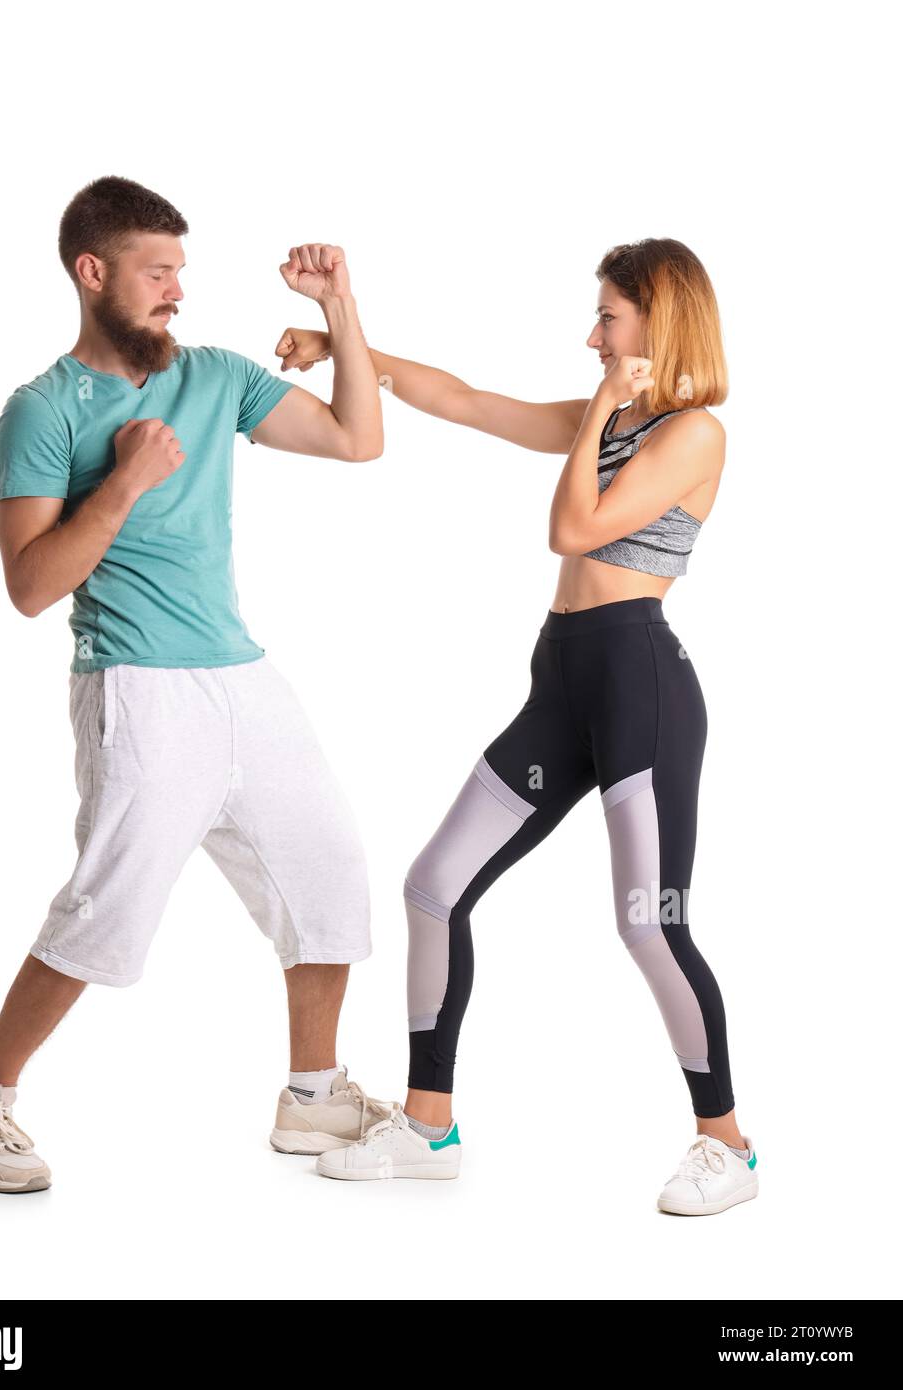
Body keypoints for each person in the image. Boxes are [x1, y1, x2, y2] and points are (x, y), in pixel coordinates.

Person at [273, 238, 758, 1215]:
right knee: (434, 887)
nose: (592, 334)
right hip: (563, 681)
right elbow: (461, 399)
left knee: (648, 925)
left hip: (639, 684)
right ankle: (427, 1125)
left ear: (657, 325)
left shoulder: (694, 434)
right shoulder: (612, 413)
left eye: (609, 318)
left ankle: (727, 1145)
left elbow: (573, 529)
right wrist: (343, 337)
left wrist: (604, 415)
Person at [0, 176, 396, 1194]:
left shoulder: (216, 376)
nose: (176, 291)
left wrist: (340, 311)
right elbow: (29, 585)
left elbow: (358, 438)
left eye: (181, 273)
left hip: (241, 673)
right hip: (137, 688)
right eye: (157, 272)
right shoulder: (41, 411)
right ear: (92, 272)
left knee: (328, 874)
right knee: (105, 913)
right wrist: (123, 483)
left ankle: (314, 1097)